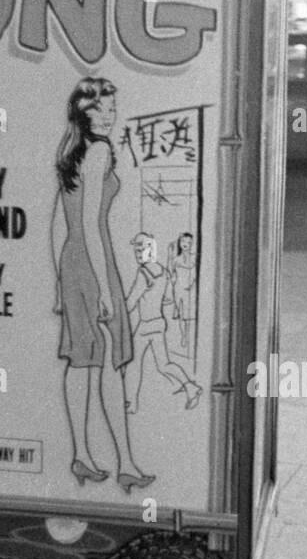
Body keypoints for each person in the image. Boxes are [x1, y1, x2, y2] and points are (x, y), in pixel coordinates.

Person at [52, 77, 154, 492]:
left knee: (82, 362)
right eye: (102, 110)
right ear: (85, 114)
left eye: (113, 109)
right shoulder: (99, 151)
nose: (110, 116)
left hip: (72, 261)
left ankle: (81, 456)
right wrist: (108, 291)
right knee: (111, 364)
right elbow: (93, 224)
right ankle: (125, 462)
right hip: (94, 261)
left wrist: (61, 284)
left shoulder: (72, 151)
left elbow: (60, 221)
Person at [125, 233, 202, 412]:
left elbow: (131, 301)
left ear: (150, 250)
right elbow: (168, 298)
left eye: (141, 249)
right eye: (136, 250)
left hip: (146, 325)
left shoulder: (144, 273)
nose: (137, 254)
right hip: (158, 323)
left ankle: (132, 403)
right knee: (164, 364)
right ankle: (191, 387)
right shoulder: (163, 271)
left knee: (133, 364)